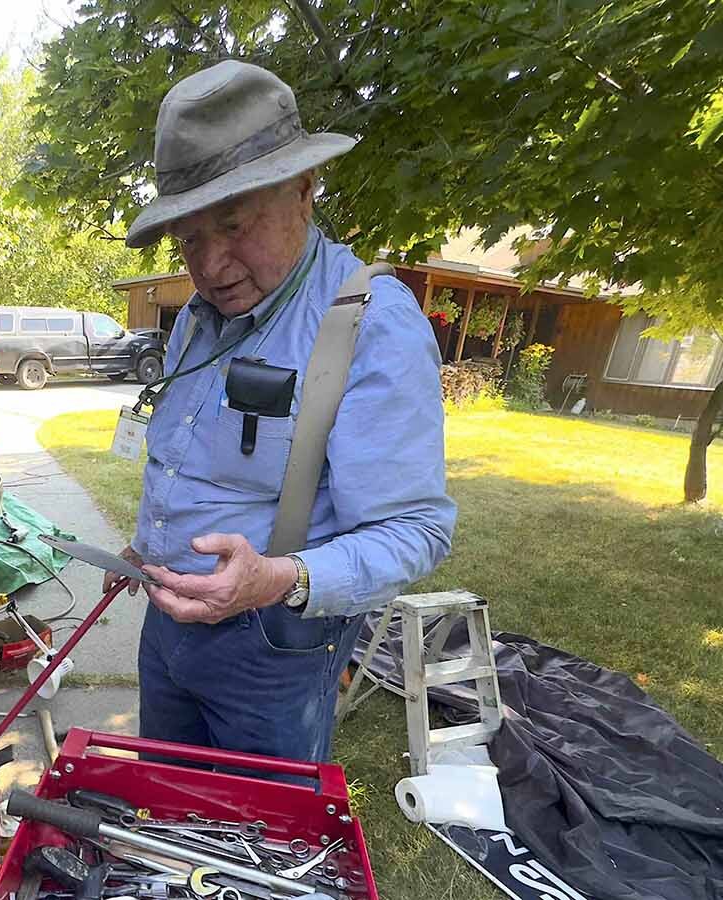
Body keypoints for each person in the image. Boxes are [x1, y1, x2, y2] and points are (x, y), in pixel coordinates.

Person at [103, 60, 457, 763]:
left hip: (271, 649)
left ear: (304, 188)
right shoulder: (203, 318)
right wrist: (152, 547)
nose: (209, 265)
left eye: (232, 225)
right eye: (190, 240)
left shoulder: (369, 321)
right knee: (167, 816)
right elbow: (194, 461)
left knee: (261, 840)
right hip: (166, 627)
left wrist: (278, 579)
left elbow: (416, 531)